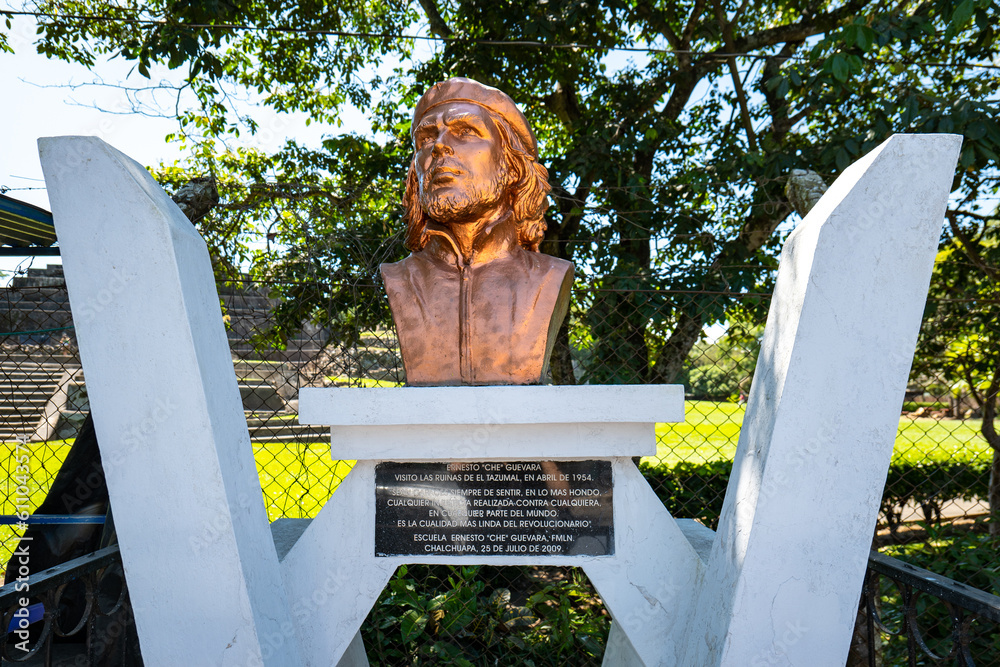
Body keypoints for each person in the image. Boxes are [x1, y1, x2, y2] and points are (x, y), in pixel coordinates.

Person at [381, 78, 574, 386]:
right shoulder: (399, 279)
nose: (439, 145)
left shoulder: (550, 277)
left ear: (511, 166)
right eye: (426, 138)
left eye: (466, 132)